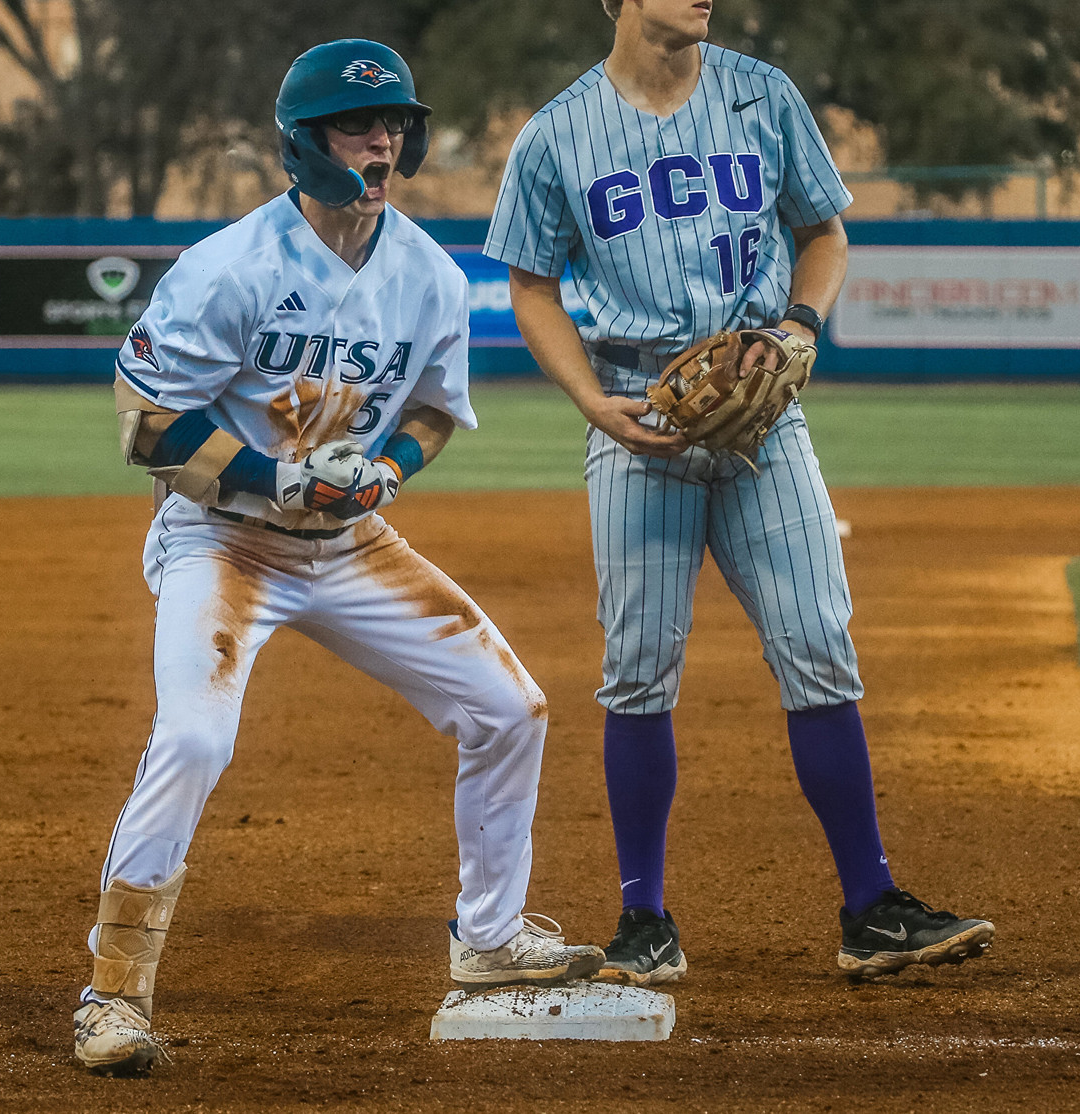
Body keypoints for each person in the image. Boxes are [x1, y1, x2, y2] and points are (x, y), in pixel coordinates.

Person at [71, 38, 605, 1077]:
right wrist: (274, 482)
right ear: (305, 146)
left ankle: (489, 939)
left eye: (397, 123)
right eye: (362, 125)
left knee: (512, 708)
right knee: (193, 738)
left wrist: (389, 472)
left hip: (353, 543)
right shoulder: (229, 268)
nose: (385, 140)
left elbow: (438, 417)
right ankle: (111, 995)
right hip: (224, 541)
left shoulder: (430, 276)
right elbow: (145, 426)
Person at [484, 0, 996, 984]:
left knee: (819, 646)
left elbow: (826, 233)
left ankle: (870, 905)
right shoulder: (557, 133)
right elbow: (532, 284)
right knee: (638, 667)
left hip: (765, 413)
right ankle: (644, 918)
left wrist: (799, 326)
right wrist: (593, 401)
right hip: (640, 413)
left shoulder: (763, 95)